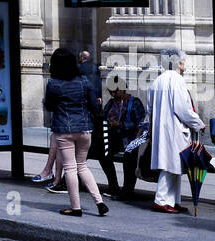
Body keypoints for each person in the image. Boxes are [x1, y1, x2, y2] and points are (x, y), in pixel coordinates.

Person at [44, 47, 108, 217]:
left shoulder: (53, 83)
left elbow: (49, 106)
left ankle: (76, 207)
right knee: (83, 166)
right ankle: (99, 202)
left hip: (64, 129)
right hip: (84, 128)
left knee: (71, 168)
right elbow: (95, 107)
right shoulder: (84, 81)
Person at [148, 47, 204, 214]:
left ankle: (173, 200)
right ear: (179, 63)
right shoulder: (177, 80)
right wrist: (198, 123)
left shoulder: (157, 81)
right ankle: (161, 199)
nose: (184, 66)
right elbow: (183, 108)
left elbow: (149, 109)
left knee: (174, 164)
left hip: (162, 128)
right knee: (169, 165)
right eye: (183, 62)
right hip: (174, 129)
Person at [97, 76, 146, 200]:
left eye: (115, 91)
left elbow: (140, 124)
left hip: (129, 139)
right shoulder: (111, 103)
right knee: (103, 152)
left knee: (129, 157)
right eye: (111, 92)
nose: (113, 94)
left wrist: (121, 125)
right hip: (115, 137)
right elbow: (103, 117)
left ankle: (127, 190)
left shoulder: (134, 103)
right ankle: (113, 185)